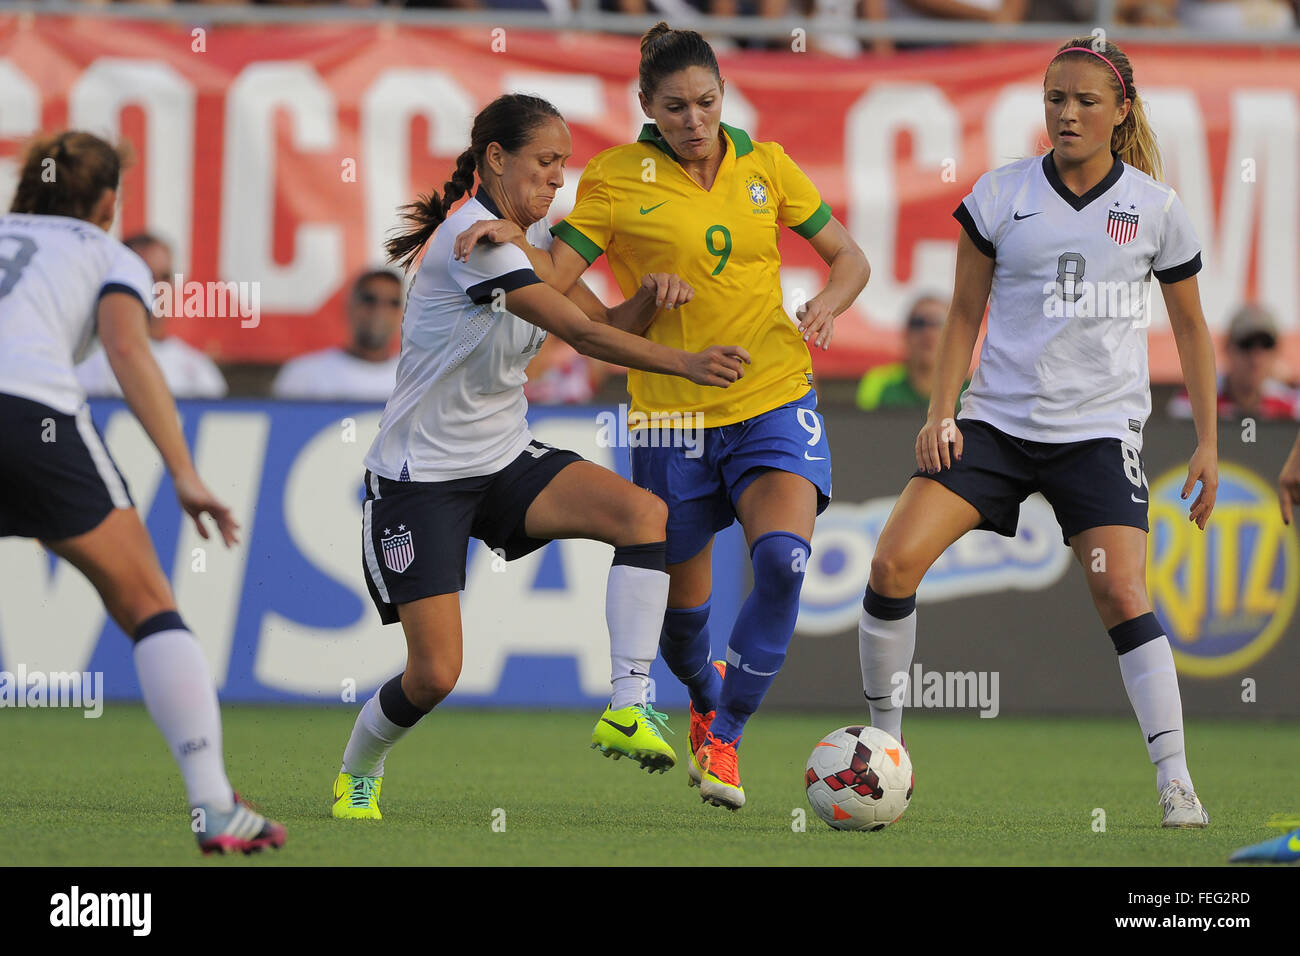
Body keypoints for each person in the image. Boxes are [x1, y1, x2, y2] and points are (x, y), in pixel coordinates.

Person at [456, 23, 870, 811]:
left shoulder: (767, 165)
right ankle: (702, 693)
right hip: (670, 420)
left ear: (724, 96)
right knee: (685, 625)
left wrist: (826, 304)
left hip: (774, 395)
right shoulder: (615, 178)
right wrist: (515, 235)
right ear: (646, 104)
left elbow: (851, 258)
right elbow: (559, 283)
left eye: (707, 101)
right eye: (675, 106)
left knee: (783, 562)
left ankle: (726, 733)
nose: (694, 119)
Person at [329, 93, 751, 820]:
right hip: (418, 479)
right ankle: (357, 769)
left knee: (643, 515)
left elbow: (606, 323)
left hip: (499, 459)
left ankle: (629, 703)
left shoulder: (527, 245)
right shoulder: (478, 243)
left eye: (564, 163)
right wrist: (685, 363)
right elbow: (582, 340)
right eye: (545, 162)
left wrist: (648, 297)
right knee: (434, 676)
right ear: (497, 159)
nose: (559, 178)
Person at [857, 37, 1219, 828]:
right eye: (1056, 98)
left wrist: (1209, 442)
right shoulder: (1000, 194)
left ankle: (1176, 780)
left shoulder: (1155, 209)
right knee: (890, 563)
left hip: (1096, 434)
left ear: (1122, 113)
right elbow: (962, 314)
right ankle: (885, 755)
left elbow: (1191, 330)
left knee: (1122, 590)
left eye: (1087, 100)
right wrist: (939, 412)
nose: (1067, 113)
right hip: (993, 425)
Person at [0, 131, 285, 854]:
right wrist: (184, 472)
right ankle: (213, 805)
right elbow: (128, 348)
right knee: (150, 607)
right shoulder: (106, 252)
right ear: (104, 202)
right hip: (32, 413)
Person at [75, 233, 228, 399]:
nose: (158, 287)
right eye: (146, 276)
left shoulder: (199, 370)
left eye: (164, 277)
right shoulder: (89, 364)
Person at [271, 268, 403, 401]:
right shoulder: (303, 375)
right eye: (369, 299)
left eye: (393, 303)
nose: (380, 310)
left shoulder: (415, 381)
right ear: (349, 306)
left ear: (403, 313)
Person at [1167, 303, 1300, 421]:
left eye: (1266, 345)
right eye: (1246, 344)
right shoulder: (1194, 404)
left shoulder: (1290, 405)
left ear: (1277, 351)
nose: (1256, 358)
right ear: (1227, 348)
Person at [855, 293, 962, 412]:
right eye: (918, 323)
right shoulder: (878, 383)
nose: (928, 333)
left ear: (952, 335)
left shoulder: (969, 390)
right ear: (905, 334)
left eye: (937, 323)